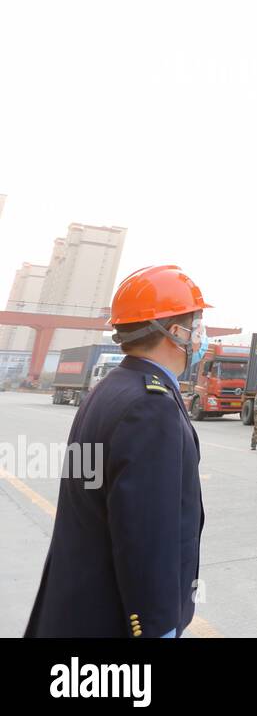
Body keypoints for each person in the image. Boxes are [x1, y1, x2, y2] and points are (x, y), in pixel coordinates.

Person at [26, 265, 210, 638]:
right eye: (198, 323)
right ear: (175, 332)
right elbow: (148, 536)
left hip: (79, 608)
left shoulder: (111, 390)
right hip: (112, 621)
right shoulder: (150, 406)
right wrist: (157, 628)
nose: (202, 335)